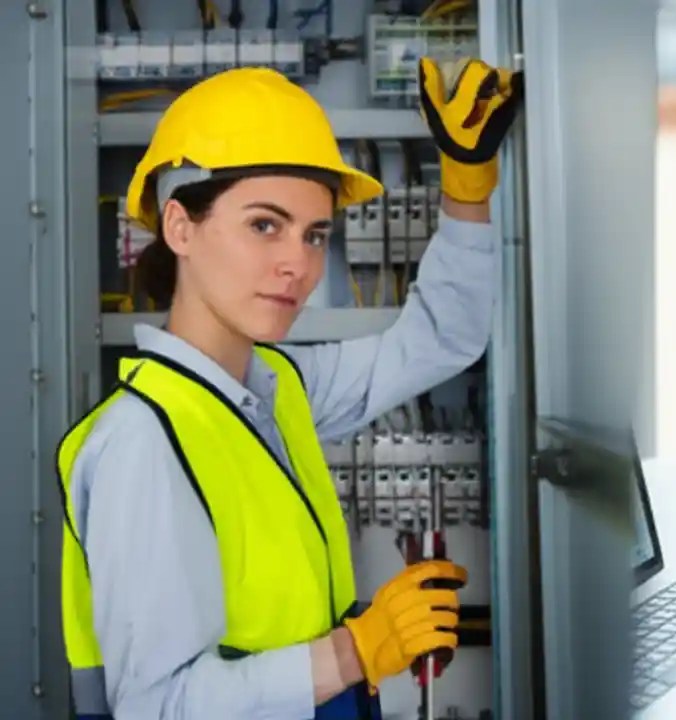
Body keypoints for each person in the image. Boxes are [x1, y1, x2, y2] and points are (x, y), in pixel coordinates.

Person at [56, 58, 522, 719]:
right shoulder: (142, 444)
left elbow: (439, 339)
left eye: (314, 235)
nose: (297, 264)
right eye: (264, 225)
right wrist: (356, 651)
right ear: (179, 227)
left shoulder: (276, 390)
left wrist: (467, 193)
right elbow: (155, 707)